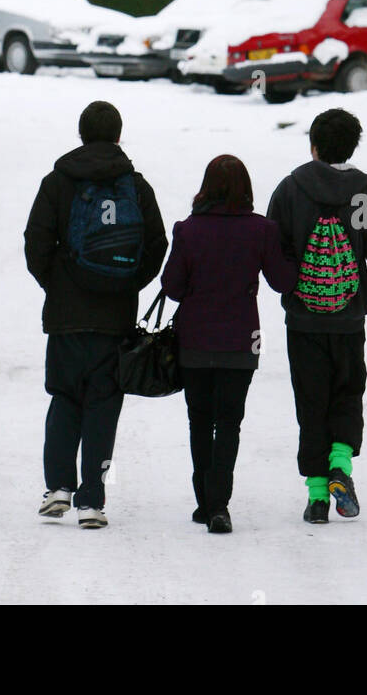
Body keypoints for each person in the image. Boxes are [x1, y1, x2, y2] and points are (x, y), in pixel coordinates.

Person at [24, 100, 167, 529]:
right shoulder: (135, 186)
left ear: (81, 133)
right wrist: (126, 283)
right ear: (118, 135)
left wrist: (59, 281)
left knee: (65, 397)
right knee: (103, 404)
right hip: (115, 318)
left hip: (67, 317)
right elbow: (157, 245)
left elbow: (35, 242)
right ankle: (92, 502)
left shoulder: (58, 181)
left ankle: (58, 489)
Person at [267, 107, 367, 525]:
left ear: (313, 145)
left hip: (304, 321)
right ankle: (340, 466)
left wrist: (292, 286)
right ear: (353, 146)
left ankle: (316, 498)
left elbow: (274, 257)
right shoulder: (365, 193)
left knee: (311, 402)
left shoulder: (290, 190)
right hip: (348, 319)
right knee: (347, 392)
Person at [160, 154, 297, 534]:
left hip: (195, 340)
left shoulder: (188, 230)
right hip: (242, 341)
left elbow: (170, 287)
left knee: (199, 421)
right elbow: (283, 282)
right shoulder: (262, 230)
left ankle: (205, 501)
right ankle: (220, 504)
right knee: (230, 422)